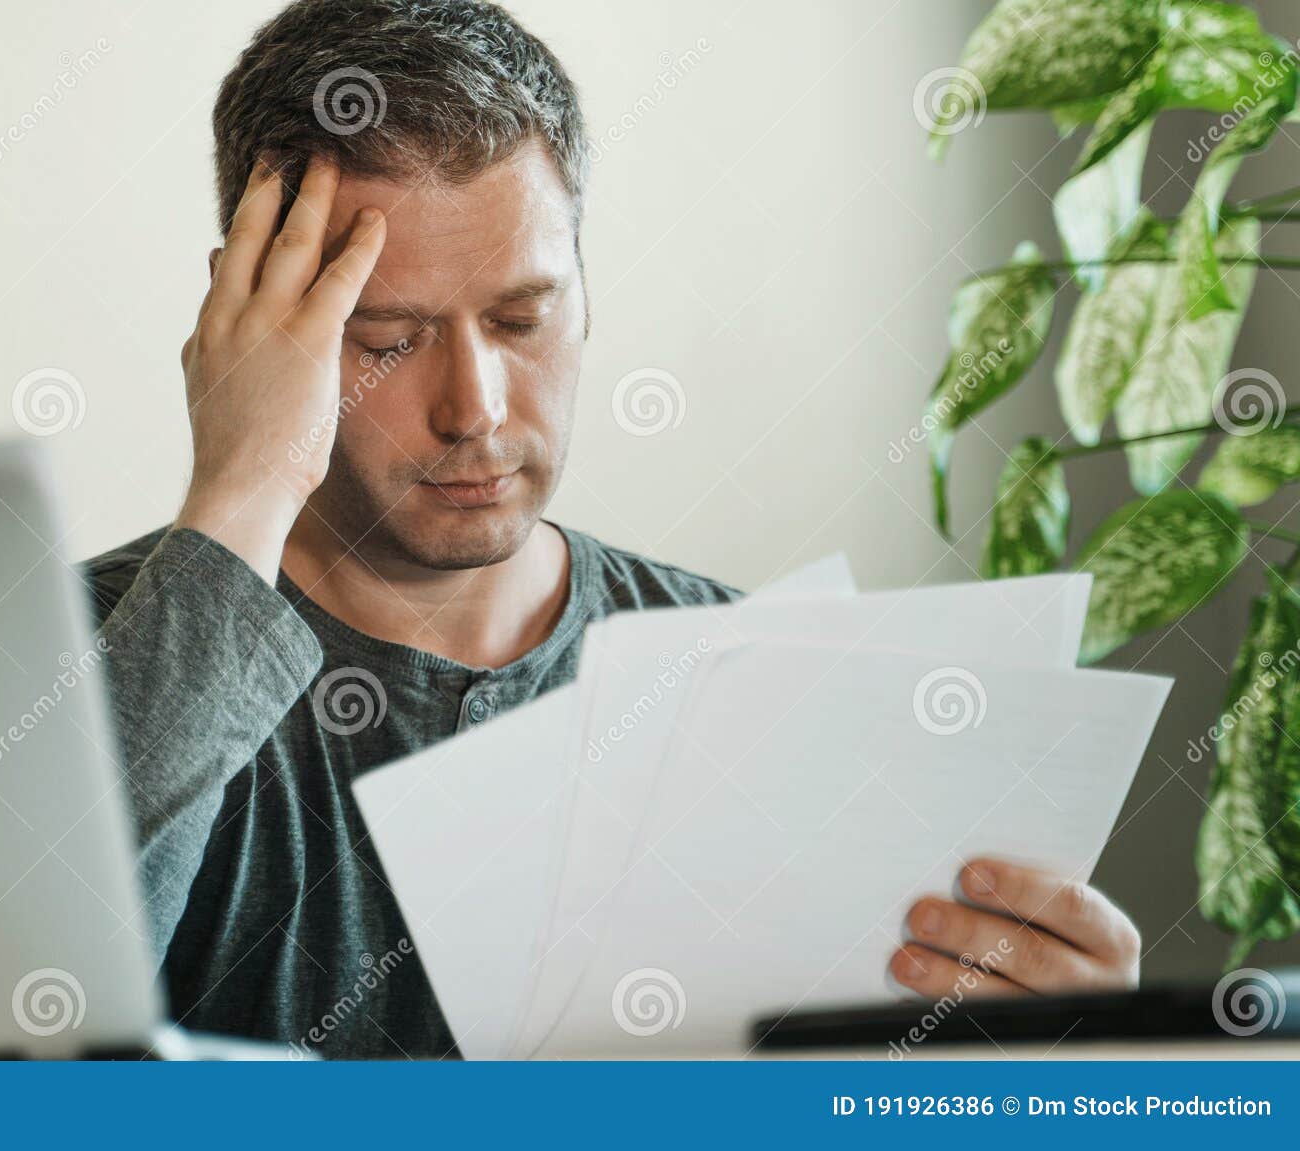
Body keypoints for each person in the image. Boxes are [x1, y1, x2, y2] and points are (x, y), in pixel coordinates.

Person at [83, 0, 1142, 1058]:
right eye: (389, 339)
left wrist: (1045, 1070)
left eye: (520, 319)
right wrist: (241, 486)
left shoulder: (755, 673)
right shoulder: (72, 667)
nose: (477, 408)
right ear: (252, 319)